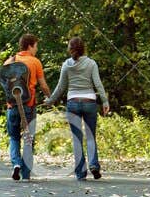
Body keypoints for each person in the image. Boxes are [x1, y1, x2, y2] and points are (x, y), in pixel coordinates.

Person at [45, 37, 110, 180]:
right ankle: (93, 165)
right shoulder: (91, 63)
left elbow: (61, 87)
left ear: (70, 49)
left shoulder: (66, 65)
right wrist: (105, 101)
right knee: (91, 135)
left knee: (77, 138)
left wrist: (50, 100)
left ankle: (81, 172)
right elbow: (98, 84)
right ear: (83, 48)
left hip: (73, 103)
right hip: (89, 102)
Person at [2, 32, 50, 181]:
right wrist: (50, 96)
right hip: (28, 105)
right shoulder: (35, 62)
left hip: (12, 105)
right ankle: (26, 174)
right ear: (30, 46)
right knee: (29, 139)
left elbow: (4, 83)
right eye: (36, 46)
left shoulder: (10, 61)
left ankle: (16, 164)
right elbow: (43, 85)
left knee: (14, 137)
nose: (36, 49)